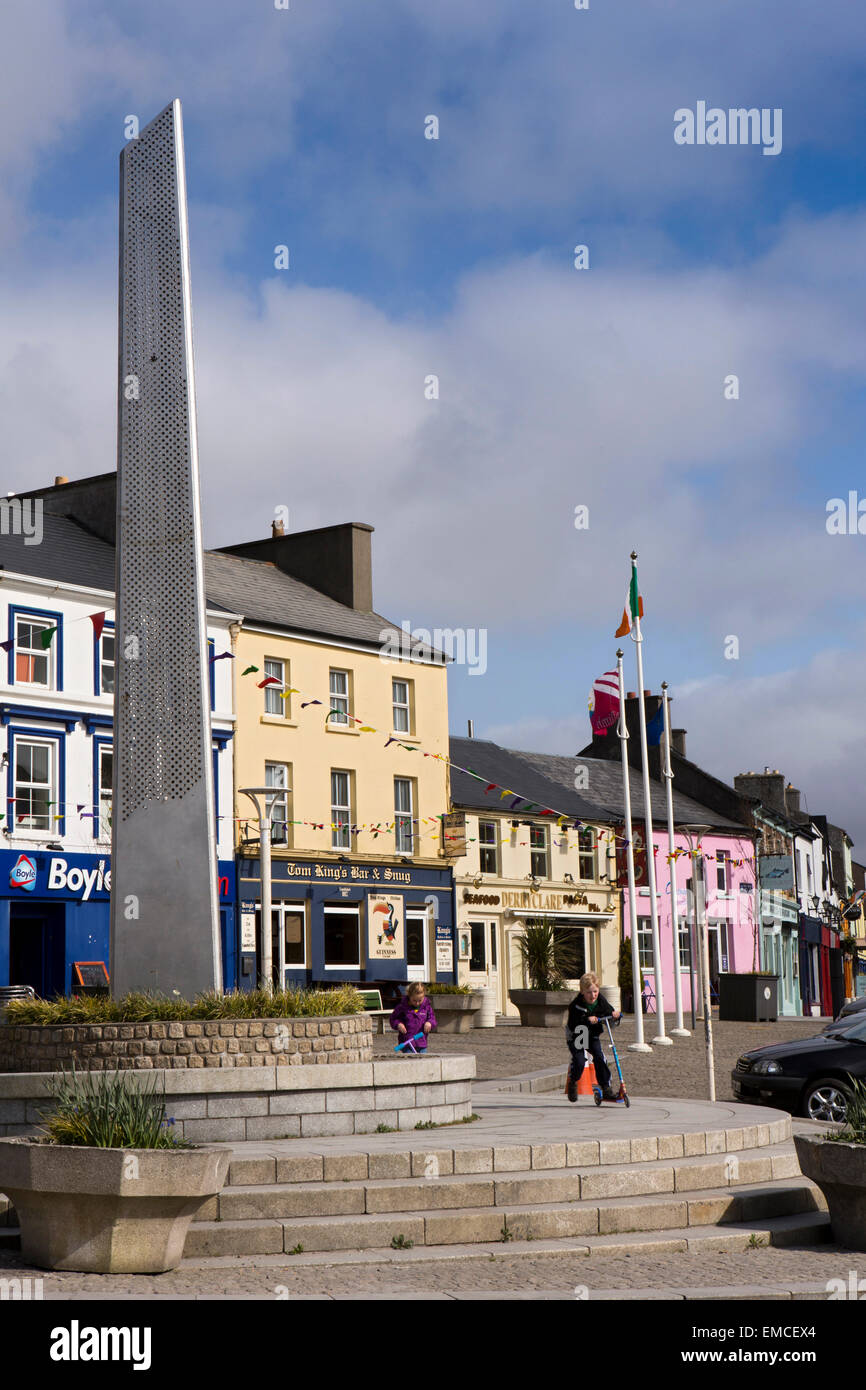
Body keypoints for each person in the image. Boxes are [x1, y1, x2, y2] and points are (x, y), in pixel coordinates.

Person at [566, 971, 621, 1102]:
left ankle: (606, 1087)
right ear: (582, 992)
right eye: (589, 992)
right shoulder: (576, 1005)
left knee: (599, 1057)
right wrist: (587, 1020)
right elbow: (573, 1024)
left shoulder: (601, 1000)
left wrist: (615, 1016)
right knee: (580, 1061)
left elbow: (609, 1012)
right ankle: (573, 1081)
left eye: (595, 991)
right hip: (578, 1034)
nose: (593, 995)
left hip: (592, 1034)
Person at [389, 981, 437, 1053]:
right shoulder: (402, 1007)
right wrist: (399, 1024)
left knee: (422, 1061)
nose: (417, 1003)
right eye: (414, 1000)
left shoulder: (427, 1007)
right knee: (410, 1061)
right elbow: (393, 1019)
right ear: (409, 996)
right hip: (407, 1042)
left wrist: (429, 1023)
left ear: (424, 997)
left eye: (420, 1000)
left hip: (421, 1042)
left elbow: (432, 1018)